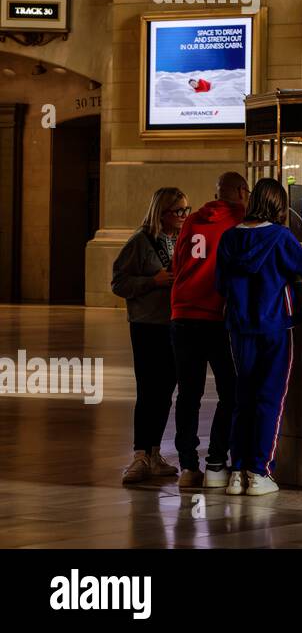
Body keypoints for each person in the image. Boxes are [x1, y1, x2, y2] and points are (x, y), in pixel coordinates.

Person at [216, 178, 302, 496]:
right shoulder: (281, 237)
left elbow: (220, 286)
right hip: (276, 326)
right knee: (269, 400)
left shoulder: (228, 238)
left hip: (238, 327)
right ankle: (259, 471)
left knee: (242, 399)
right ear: (279, 205)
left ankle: (237, 471)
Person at [169, 171, 249, 490]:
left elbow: (178, 263)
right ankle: (217, 460)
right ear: (243, 192)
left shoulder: (193, 220)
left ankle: (188, 467)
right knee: (230, 391)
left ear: (217, 192)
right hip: (216, 315)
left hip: (182, 312)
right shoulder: (241, 219)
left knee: (189, 393)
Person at [111, 186, 189, 485]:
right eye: (178, 211)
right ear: (162, 212)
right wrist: (152, 281)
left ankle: (155, 451)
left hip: (174, 322)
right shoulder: (140, 242)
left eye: (186, 210)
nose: (183, 216)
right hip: (146, 324)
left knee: (166, 390)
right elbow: (119, 283)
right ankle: (140, 454)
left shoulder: (183, 240)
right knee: (148, 390)